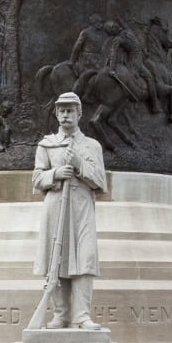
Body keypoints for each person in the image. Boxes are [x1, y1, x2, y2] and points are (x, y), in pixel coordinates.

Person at [32, 92, 106, 329]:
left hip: (82, 206)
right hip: (56, 205)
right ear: (56, 114)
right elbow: (36, 179)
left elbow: (100, 181)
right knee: (57, 260)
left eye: (70, 110)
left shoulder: (91, 146)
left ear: (79, 113)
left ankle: (82, 316)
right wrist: (55, 174)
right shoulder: (47, 145)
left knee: (84, 258)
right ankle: (60, 315)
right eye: (62, 111)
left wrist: (78, 164)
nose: (66, 115)